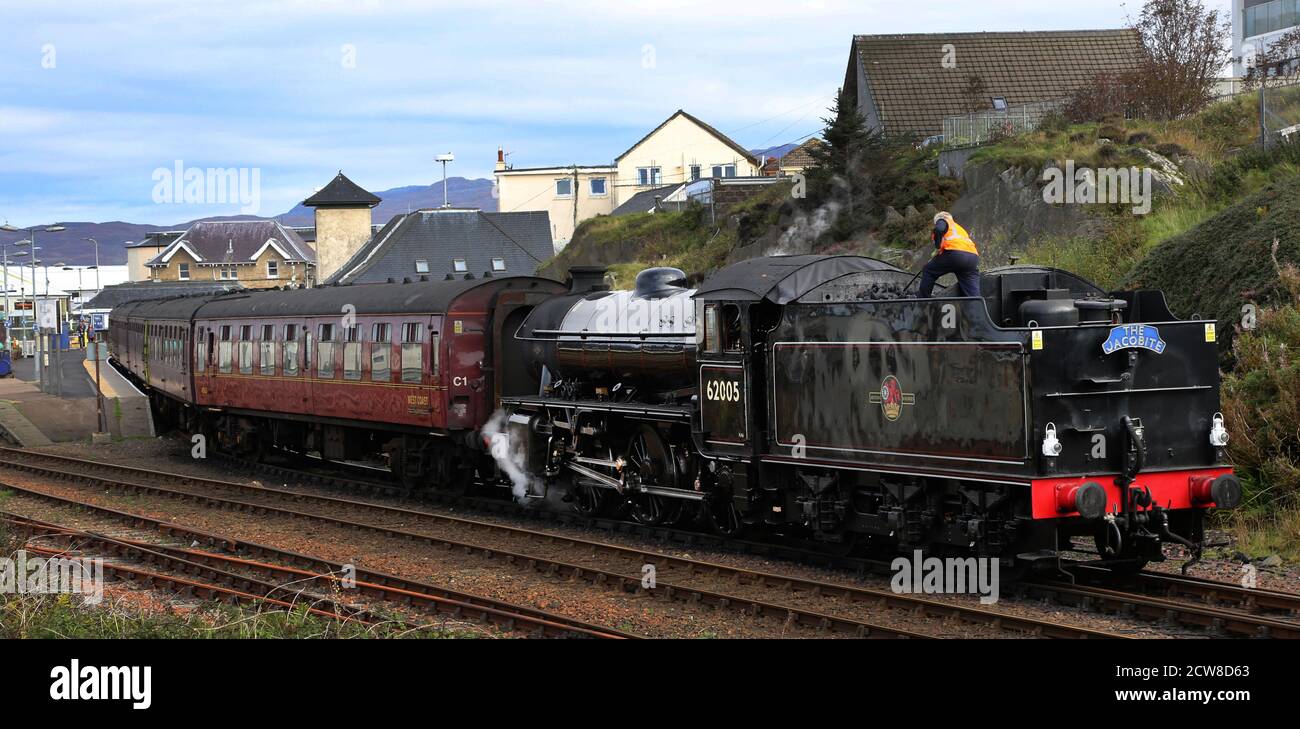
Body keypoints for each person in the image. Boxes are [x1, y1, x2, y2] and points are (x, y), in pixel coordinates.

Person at [918, 211, 981, 298]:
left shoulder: (943, 220)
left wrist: (938, 248)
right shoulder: (959, 228)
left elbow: (939, 229)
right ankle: (976, 308)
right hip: (973, 258)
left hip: (956, 254)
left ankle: (922, 301)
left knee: (928, 270)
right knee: (972, 295)